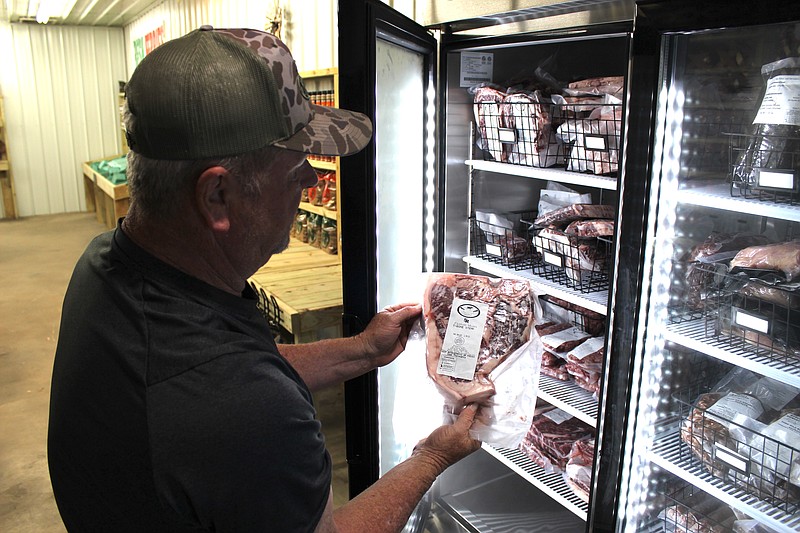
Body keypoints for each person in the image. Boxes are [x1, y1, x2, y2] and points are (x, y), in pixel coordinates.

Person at [47, 26, 481, 533]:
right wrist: (429, 458)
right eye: (296, 166)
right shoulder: (247, 415)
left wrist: (363, 350)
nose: (312, 181)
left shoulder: (107, 265)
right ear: (218, 197)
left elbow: (237, 364)